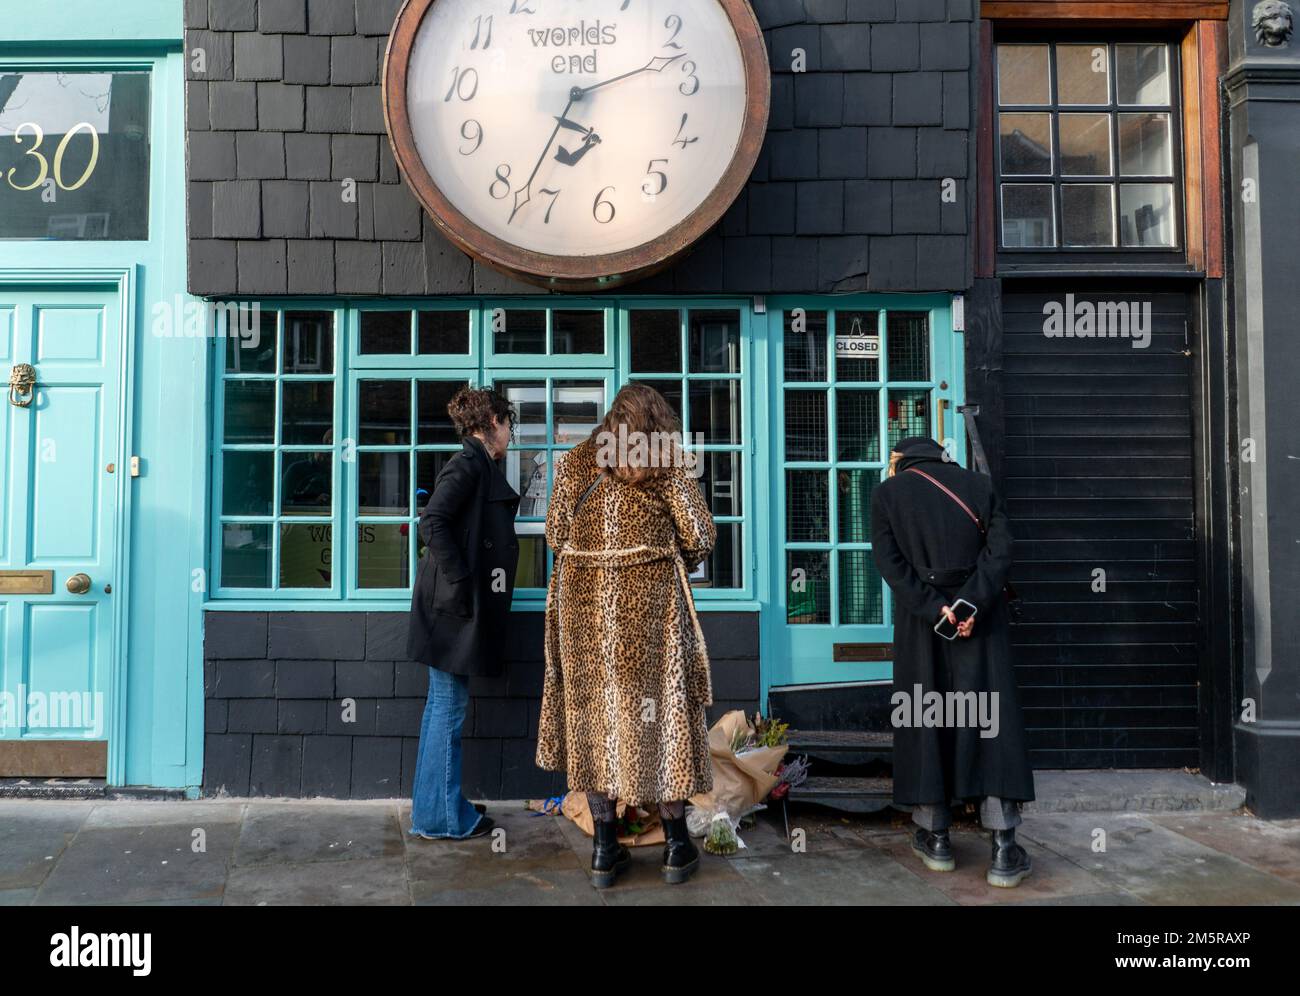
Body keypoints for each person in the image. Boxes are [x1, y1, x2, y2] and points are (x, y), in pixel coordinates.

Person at [536, 384, 716, 888]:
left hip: (584, 613)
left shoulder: (577, 462)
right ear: (657, 420)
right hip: (652, 612)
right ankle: (677, 848)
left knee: (594, 721)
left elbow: (554, 534)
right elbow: (700, 536)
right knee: (664, 722)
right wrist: (665, 556)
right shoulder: (668, 462)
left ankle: (603, 849)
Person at [870, 436, 1035, 887]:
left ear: (900, 460)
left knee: (926, 718)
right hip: (981, 623)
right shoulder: (979, 486)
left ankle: (936, 836)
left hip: (923, 625)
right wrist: (970, 605)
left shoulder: (887, 493)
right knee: (992, 725)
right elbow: (1000, 553)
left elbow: (890, 564)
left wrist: (934, 609)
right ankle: (1003, 846)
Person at [406, 387, 520, 840]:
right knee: (448, 711)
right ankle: (446, 819)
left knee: (440, 708)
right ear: (491, 422)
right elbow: (432, 521)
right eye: (508, 423)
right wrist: (462, 580)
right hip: (452, 612)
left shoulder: (475, 462)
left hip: (450, 612)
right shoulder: (468, 464)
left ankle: (436, 809)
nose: (511, 433)